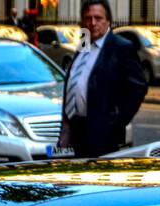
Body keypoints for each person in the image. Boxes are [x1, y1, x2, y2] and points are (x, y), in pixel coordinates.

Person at [58, 0, 147, 158]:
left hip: (103, 134)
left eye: (98, 18)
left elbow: (138, 88)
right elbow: (74, 80)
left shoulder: (121, 47)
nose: (92, 23)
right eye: (88, 18)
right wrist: (66, 127)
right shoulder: (84, 42)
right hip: (76, 130)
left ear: (108, 21)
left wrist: (116, 123)